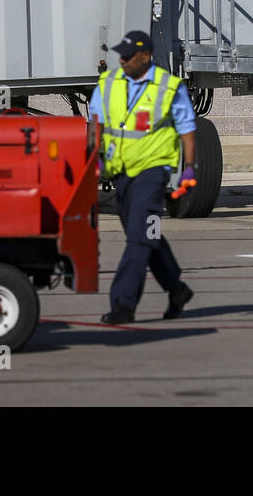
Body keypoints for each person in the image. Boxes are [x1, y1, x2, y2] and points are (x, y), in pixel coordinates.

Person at [89, 30, 196, 324]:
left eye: (128, 56)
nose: (121, 60)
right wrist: (93, 161)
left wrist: (189, 168)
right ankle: (177, 289)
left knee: (138, 238)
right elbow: (95, 124)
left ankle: (123, 305)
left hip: (153, 172)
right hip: (121, 172)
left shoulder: (169, 87)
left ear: (146, 57)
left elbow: (186, 127)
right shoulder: (108, 84)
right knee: (145, 235)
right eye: (120, 55)